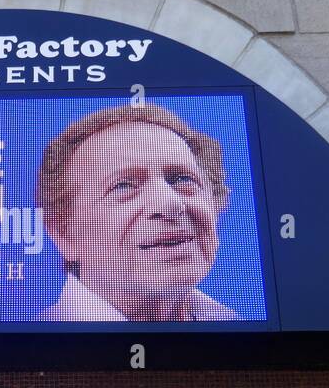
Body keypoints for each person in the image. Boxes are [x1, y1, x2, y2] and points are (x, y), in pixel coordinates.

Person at [35, 104, 237, 321]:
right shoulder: (29, 349)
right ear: (63, 233)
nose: (170, 204)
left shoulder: (246, 332)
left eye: (183, 179)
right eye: (123, 186)